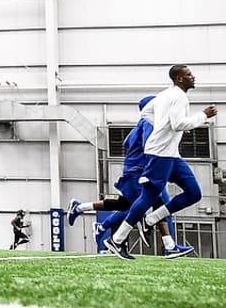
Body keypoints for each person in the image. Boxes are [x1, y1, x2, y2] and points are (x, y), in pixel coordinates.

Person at [105, 65, 216, 260]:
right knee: (148, 198)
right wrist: (203, 116)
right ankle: (117, 239)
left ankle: (150, 220)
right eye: (189, 74)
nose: (193, 77)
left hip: (171, 154)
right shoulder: (180, 97)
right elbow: (178, 124)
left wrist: (163, 126)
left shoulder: (163, 95)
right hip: (160, 154)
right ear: (180, 78)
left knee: (194, 193)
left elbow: (146, 114)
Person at [68, 95, 172, 253]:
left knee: (124, 205)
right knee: (157, 203)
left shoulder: (141, 124)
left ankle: (82, 209)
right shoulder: (150, 123)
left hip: (134, 169)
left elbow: (127, 142)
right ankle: (169, 246)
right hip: (139, 170)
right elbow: (149, 145)